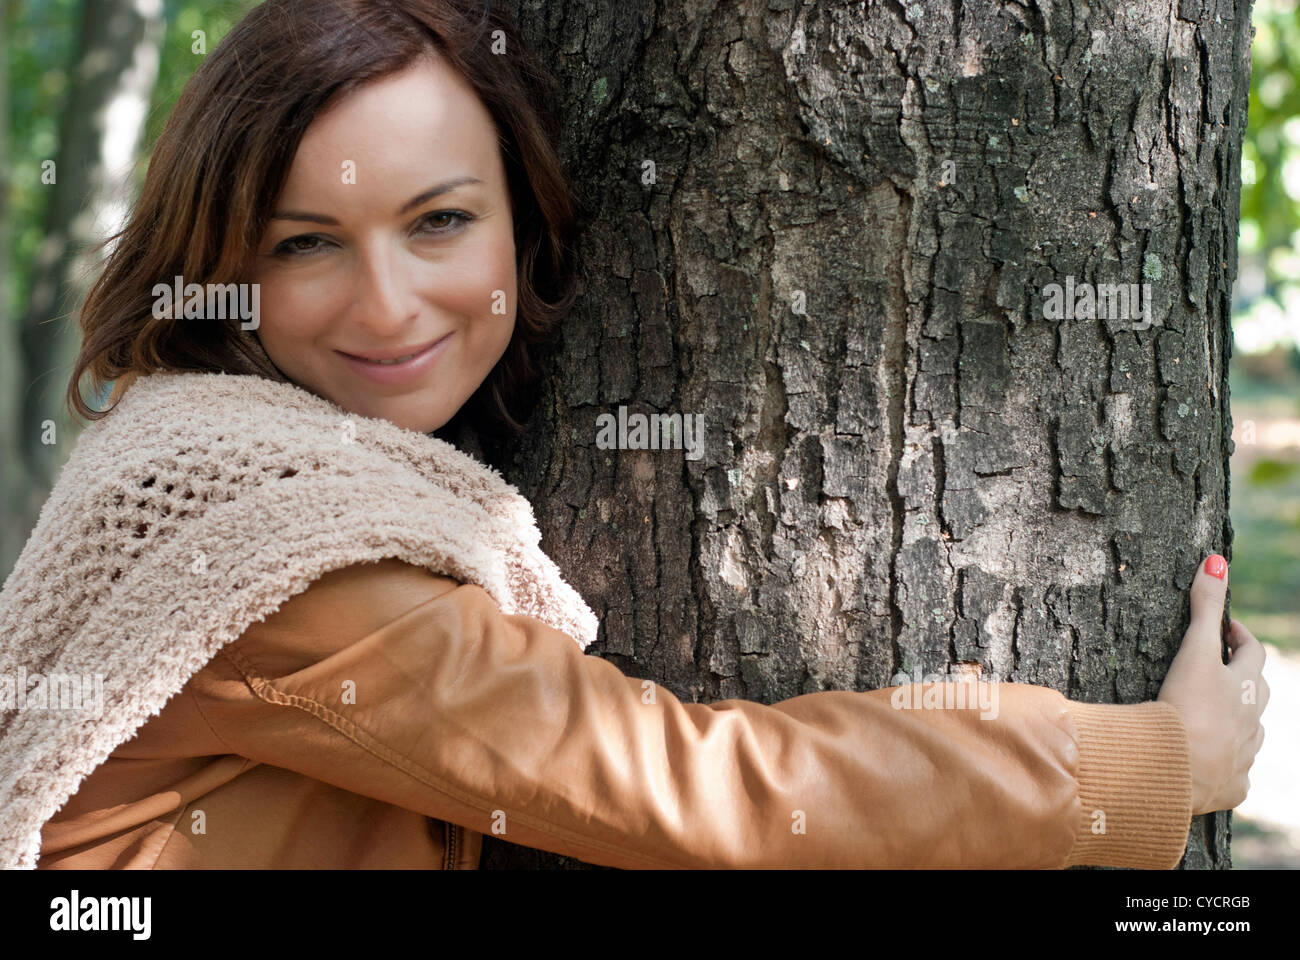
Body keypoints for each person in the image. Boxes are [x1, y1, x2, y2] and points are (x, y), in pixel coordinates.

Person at [3, 0, 1267, 870]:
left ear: (523, 219)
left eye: (438, 222)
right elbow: (697, 788)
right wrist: (1147, 763)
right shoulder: (280, 547)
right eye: (305, 243)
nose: (387, 305)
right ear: (221, 258)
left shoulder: (211, 438)